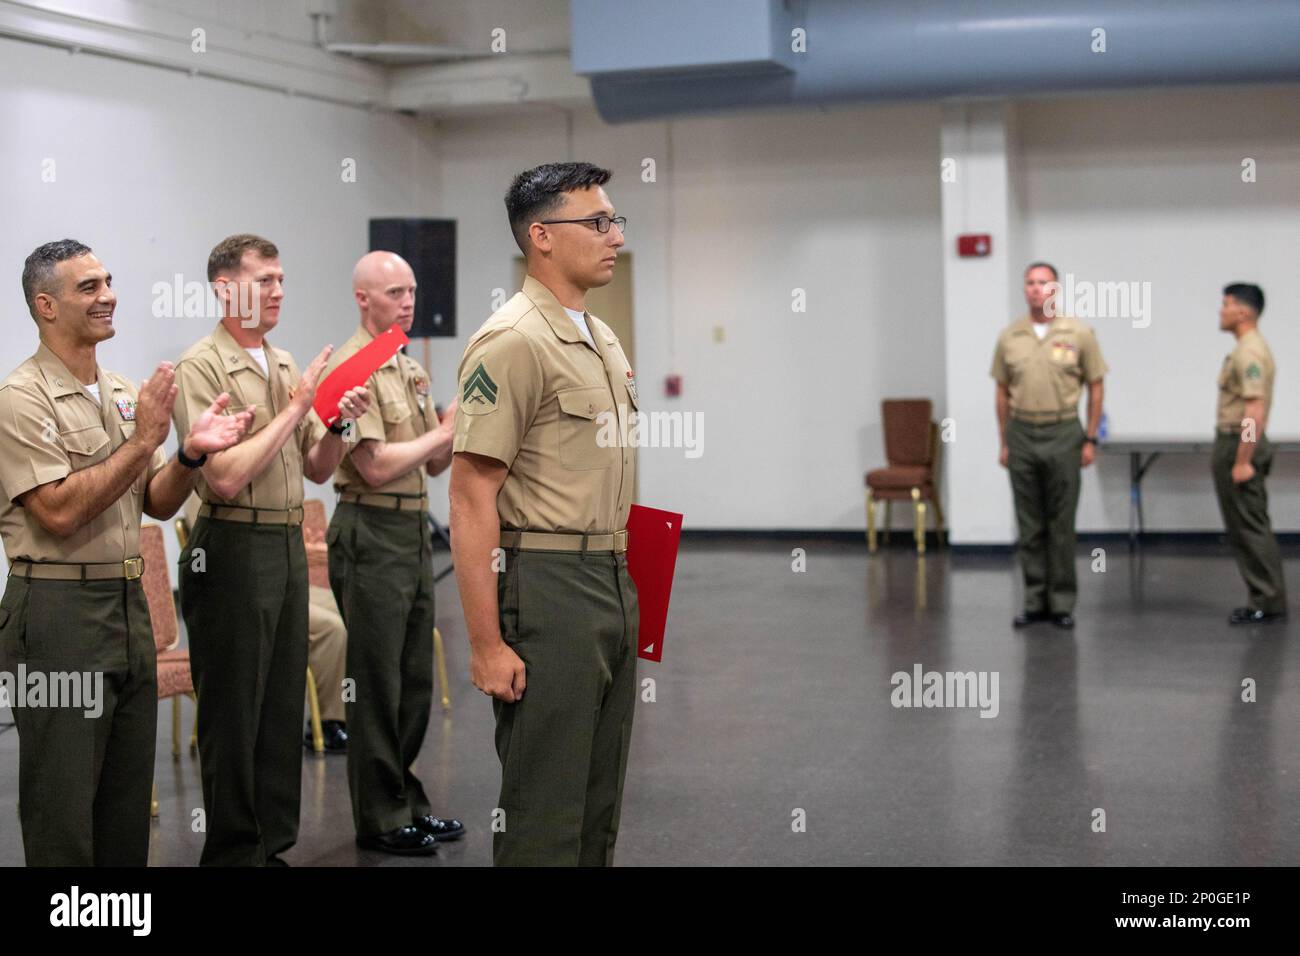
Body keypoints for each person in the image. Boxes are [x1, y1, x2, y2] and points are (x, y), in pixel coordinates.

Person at [0, 239, 249, 866]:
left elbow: (156, 503)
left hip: (126, 605)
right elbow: (56, 511)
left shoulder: (117, 390)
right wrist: (141, 445)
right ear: (46, 305)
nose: (108, 295)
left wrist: (191, 453)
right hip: (57, 612)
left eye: (107, 281)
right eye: (88, 287)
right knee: (63, 803)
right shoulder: (21, 398)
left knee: (125, 802)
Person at [450, 162, 639, 866]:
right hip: (549, 585)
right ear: (542, 237)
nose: (614, 235)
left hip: (612, 580)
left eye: (615, 220)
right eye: (596, 222)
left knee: (598, 803)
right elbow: (471, 499)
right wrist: (486, 644)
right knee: (545, 810)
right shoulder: (512, 340)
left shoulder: (600, 337)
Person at [173, 233, 370, 866]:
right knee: (235, 709)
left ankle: (271, 845)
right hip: (230, 546)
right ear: (226, 289)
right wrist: (297, 409)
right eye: (264, 280)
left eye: (282, 279)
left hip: (285, 539)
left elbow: (316, 467)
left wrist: (336, 421)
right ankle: (233, 853)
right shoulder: (199, 366)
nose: (279, 291)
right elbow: (223, 477)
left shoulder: (283, 364)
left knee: (282, 703)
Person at [324, 250, 462, 855]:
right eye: (394, 293)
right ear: (363, 298)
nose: (408, 302)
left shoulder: (405, 365)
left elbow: (433, 461)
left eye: (411, 290)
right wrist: (442, 433)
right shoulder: (350, 371)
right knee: (375, 682)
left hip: (410, 532)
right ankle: (379, 816)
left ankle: (406, 798)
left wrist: (455, 425)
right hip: (370, 528)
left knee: (412, 678)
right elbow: (375, 466)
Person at [992, 262, 1108, 630]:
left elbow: (1097, 385)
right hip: (1023, 433)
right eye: (1029, 283)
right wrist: (1005, 441)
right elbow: (1000, 390)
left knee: (1061, 522)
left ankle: (1061, 603)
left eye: (1043, 283)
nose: (1036, 289)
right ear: (1023, 289)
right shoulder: (1011, 336)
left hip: (1063, 432)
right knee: (1030, 524)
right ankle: (1033, 601)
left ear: (1056, 289)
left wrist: (1089, 438)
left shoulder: (1078, 333)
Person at [1212, 283, 1287, 625]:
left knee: (1249, 525)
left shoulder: (1249, 353)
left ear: (1243, 312)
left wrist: (1242, 460)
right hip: (1236, 442)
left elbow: (1253, 411)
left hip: (1239, 444)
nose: (1221, 311)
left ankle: (1267, 601)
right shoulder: (1246, 348)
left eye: (1226, 305)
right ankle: (1264, 596)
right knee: (1246, 524)